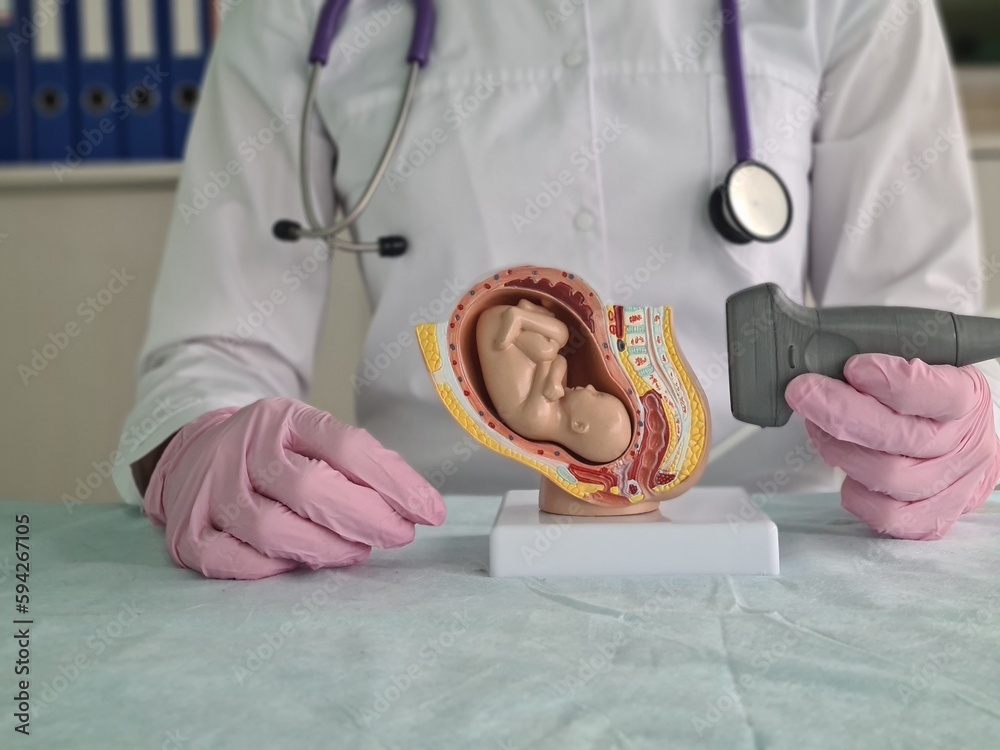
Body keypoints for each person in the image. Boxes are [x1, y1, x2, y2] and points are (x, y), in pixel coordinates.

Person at [113, 0, 1000, 579]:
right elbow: (212, 349)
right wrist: (202, 445)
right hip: (424, 565)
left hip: (788, 555)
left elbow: (928, 331)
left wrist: (950, 430)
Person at [476, 299, 632, 463]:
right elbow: (560, 360)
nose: (591, 387)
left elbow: (547, 362)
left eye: (596, 395)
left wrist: (552, 379)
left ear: (578, 424)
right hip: (504, 331)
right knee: (554, 343)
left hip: (495, 330)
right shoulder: (555, 401)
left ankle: (520, 315)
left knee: (551, 345)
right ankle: (523, 314)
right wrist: (554, 380)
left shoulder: (537, 421)